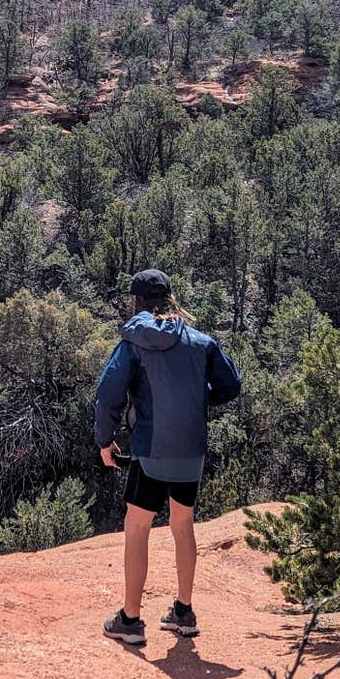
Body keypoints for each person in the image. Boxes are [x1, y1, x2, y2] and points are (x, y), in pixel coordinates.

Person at [93, 269, 241, 646]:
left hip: (151, 449)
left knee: (137, 526)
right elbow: (231, 385)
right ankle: (184, 612)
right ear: (171, 298)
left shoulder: (133, 342)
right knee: (182, 525)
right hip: (190, 449)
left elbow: (108, 394)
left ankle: (129, 619)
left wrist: (105, 441)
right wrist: (197, 398)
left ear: (136, 302)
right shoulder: (201, 342)